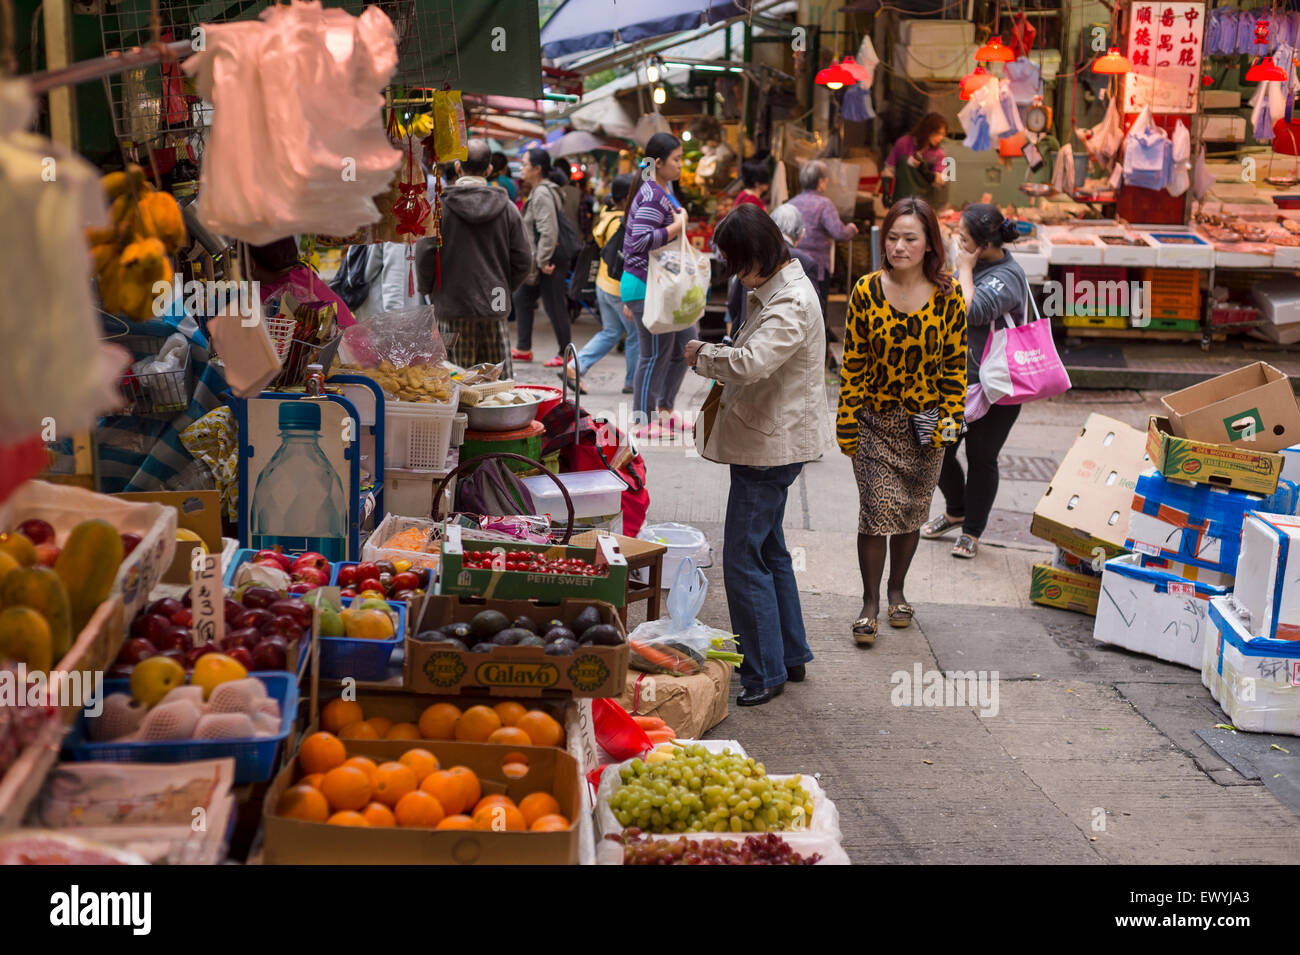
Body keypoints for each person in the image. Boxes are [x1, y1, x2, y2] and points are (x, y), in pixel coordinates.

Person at [684, 204, 832, 706]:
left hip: (771, 447)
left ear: (758, 254)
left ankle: (763, 670)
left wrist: (702, 356)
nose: (733, 272)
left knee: (744, 558)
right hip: (770, 439)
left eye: (736, 261)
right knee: (770, 551)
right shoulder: (773, 287)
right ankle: (789, 657)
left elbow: (749, 362)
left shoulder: (788, 299)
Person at [837, 196, 966, 645]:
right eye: (892, 237)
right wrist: (847, 423)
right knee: (875, 513)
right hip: (874, 421)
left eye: (909, 238)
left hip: (926, 425)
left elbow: (954, 368)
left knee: (911, 514)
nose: (898, 246)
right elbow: (852, 362)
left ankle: (898, 591)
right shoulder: (866, 291)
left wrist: (950, 422)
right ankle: (870, 602)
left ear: (929, 243)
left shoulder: (950, 297)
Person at [921, 203, 1027, 559]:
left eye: (962, 238)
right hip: (956, 382)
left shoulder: (1007, 276)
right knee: (936, 447)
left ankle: (972, 530)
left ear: (982, 245)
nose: (956, 241)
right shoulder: (975, 264)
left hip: (996, 387)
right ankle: (956, 509)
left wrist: (963, 268)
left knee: (982, 456)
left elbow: (973, 310)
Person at [415, 139, 532, 377]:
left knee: (458, 385)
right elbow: (524, 260)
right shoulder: (508, 208)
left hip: (452, 307)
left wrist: (430, 289)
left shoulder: (439, 208)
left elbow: (425, 253)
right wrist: (502, 286)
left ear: (457, 167)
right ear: (489, 170)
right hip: (494, 306)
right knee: (496, 388)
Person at [622, 132, 692, 438]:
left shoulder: (664, 188)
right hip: (645, 284)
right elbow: (639, 241)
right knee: (653, 353)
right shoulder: (651, 193)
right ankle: (643, 419)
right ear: (659, 163)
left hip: (663, 285)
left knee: (685, 346)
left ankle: (663, 409)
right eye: (676, 159)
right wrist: (677, 226)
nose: (680, 165)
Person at [564, 173, 639, 394]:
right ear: (627, 198)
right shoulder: (622, 223)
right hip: (618, 287)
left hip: (603, 284)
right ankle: (632, 382)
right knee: (634, 335)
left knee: (612, 332)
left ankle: (575, 366)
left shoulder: (606, 215)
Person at [786, 159, 859, 356]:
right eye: (825, 179)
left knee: (795, 309)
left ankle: (796, 351)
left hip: (792, 267)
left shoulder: (792, 203)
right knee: (817, 311)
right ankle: (816, 353)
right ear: (820, 182)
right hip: (817, 269)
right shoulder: (824, 204)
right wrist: (851, 229)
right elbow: (838, 232)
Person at [512, 147, 573, 366]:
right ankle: (523, 348)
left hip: (549, 260)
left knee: (554, 304)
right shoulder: (540, 190)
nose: (521, 167)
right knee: (522, 297)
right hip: (541, 259)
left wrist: (542, 261)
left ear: (537, 169)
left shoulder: (542, 193)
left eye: (525, 164)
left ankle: (567, 354)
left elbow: (549, 230)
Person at [726, 204, 817, 328]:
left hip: (750, 332)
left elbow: (733, 303)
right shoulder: (807, 262)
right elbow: (815, 312)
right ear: (801, 234)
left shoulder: (753, 253)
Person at [247, 238, 357, 328]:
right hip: (358, 348)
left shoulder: (269, 293)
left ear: (251, 263)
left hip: (344, 352)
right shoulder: (304, 274)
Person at [882, 112, 948, 206]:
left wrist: (924, 171)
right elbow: (889, 169)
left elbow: (941, 180)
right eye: (937, 133)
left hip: (923, 203)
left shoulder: (939, 154)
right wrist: (886, 193)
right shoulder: (904, 143)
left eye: (943, 134)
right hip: (901, 200)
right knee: (905, 160)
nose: (940, 138)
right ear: (927, 130)